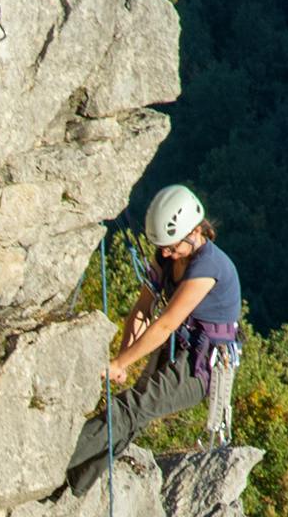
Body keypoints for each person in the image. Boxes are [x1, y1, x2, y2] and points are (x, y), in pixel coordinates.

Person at [80, 184, 244, 475]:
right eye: (163, 247)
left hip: (201, 367)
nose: (166, 254)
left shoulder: (209, 267)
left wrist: (120, 363)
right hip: (179, 346)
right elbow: (142, 309)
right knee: (132, 412)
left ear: (195, 231)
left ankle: (56, 463)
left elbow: (166, 323)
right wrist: (122, 360)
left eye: (172, 246)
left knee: (131, 409)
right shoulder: (166, 257)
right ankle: (72, 483)